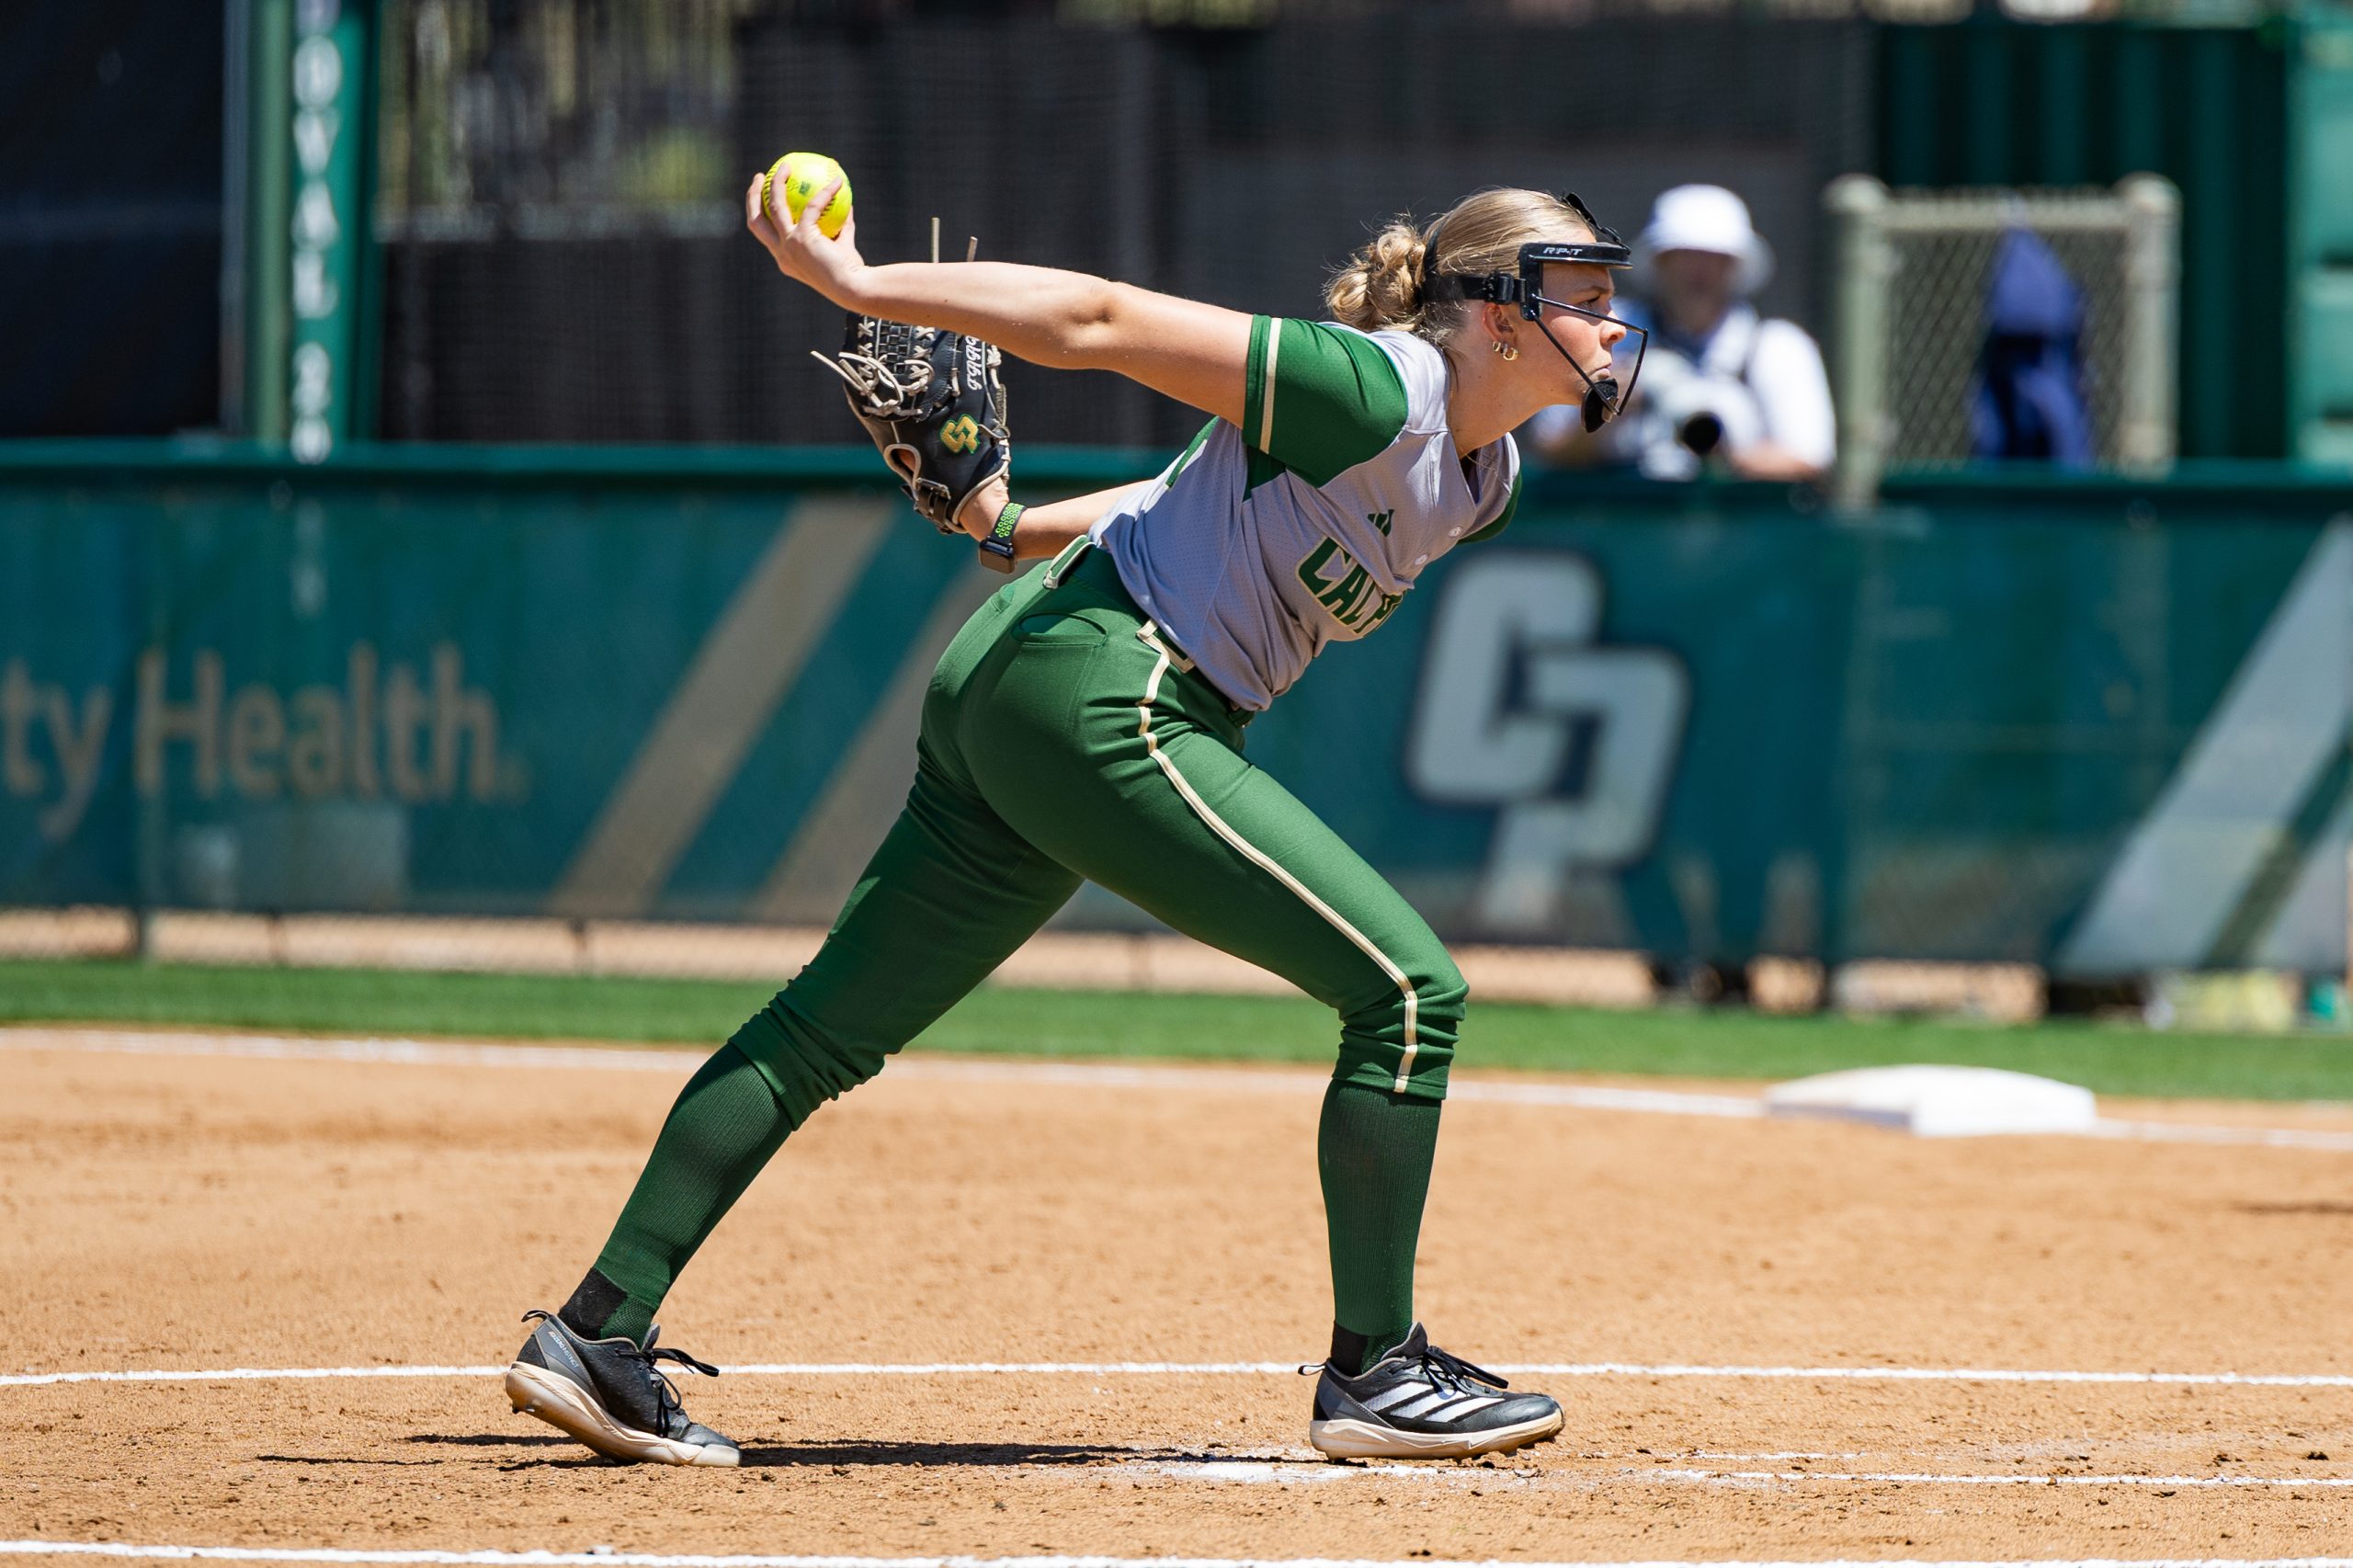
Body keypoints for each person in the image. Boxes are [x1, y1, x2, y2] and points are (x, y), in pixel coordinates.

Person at [501, 179, 1644, 1467]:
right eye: (1585, 295)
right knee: (1408, 989)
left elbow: (1187, 490)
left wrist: (1008, 524)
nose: (1614, 322)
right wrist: (857, 285)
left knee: (822, 1031)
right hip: (1114, 688)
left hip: (1042, 675)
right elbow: (1097, 318)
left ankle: (596, 1331)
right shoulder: (1374, 388)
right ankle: (1375, 1367)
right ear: (1498, 314)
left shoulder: (1485, 479)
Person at [1529, 183, 1833, 482]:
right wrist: (1607, 408)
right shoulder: (1611, 330)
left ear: (1735, 266)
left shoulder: (1776, 346)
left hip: (1735, 512)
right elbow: (1550, 445)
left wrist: (1712, 449)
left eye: (1715, 257)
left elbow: (1808, 458)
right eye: (1685, 255)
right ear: (1660, 262)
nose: (1699, 271)